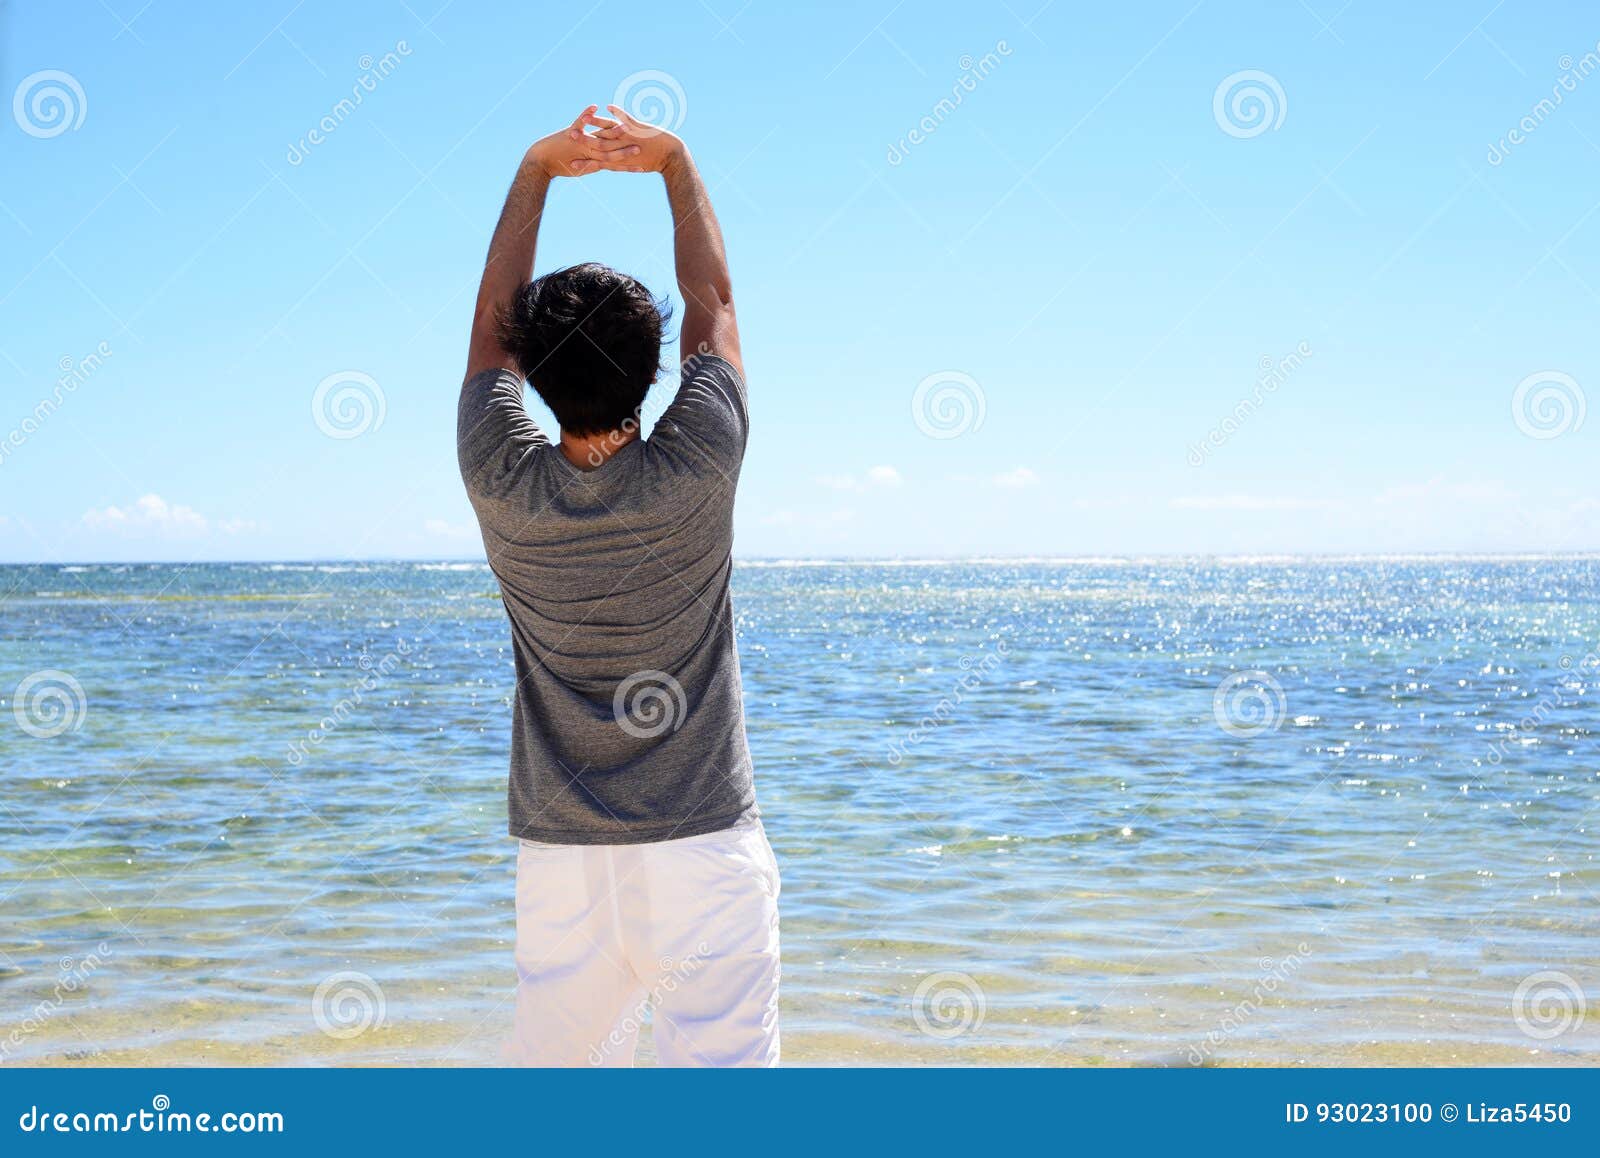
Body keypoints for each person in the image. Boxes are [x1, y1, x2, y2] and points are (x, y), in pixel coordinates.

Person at [456, 105, 778, 1067]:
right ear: (654, 371)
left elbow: (489, 331)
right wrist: (675, 163)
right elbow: (712, 306)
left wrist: (536, 170)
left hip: (562, 867)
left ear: (535, 376)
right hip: (705, 853)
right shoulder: (700, 463)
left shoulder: (498, 475)